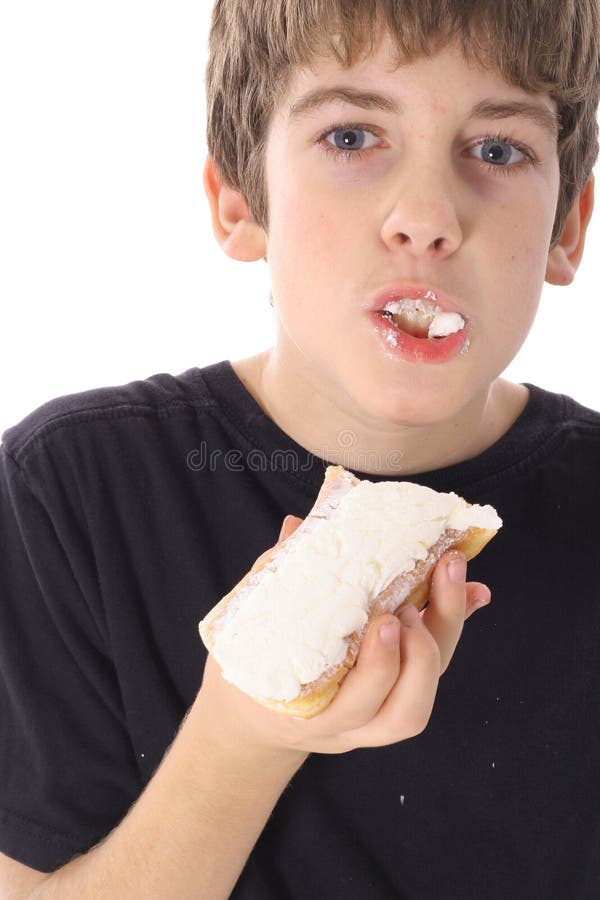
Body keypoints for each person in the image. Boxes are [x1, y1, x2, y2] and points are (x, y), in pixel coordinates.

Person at [1, 0, 599, 896]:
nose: (427, 217)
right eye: (353, 137)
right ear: (239, 202)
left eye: (498, 150)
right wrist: (244, 733)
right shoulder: (71, 494)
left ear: (568, 225)